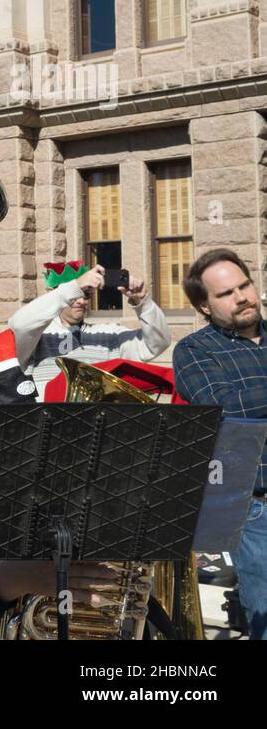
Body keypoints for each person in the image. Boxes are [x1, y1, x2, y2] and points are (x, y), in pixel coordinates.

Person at [172, 248, 267, 640]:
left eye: (245, 285)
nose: (242, 296)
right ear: (204, 306)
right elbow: (230, 408)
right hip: (256, 508)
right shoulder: (194, 351)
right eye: (226, 293)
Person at [8, 260, 169, 400]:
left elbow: (156, 344)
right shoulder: (39, 335)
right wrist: (75, 286)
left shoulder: (110, 334)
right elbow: (19, 325)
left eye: (85, 294)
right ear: (59, 293)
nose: (80, 301)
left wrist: (143, 302)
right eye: (74, 295)